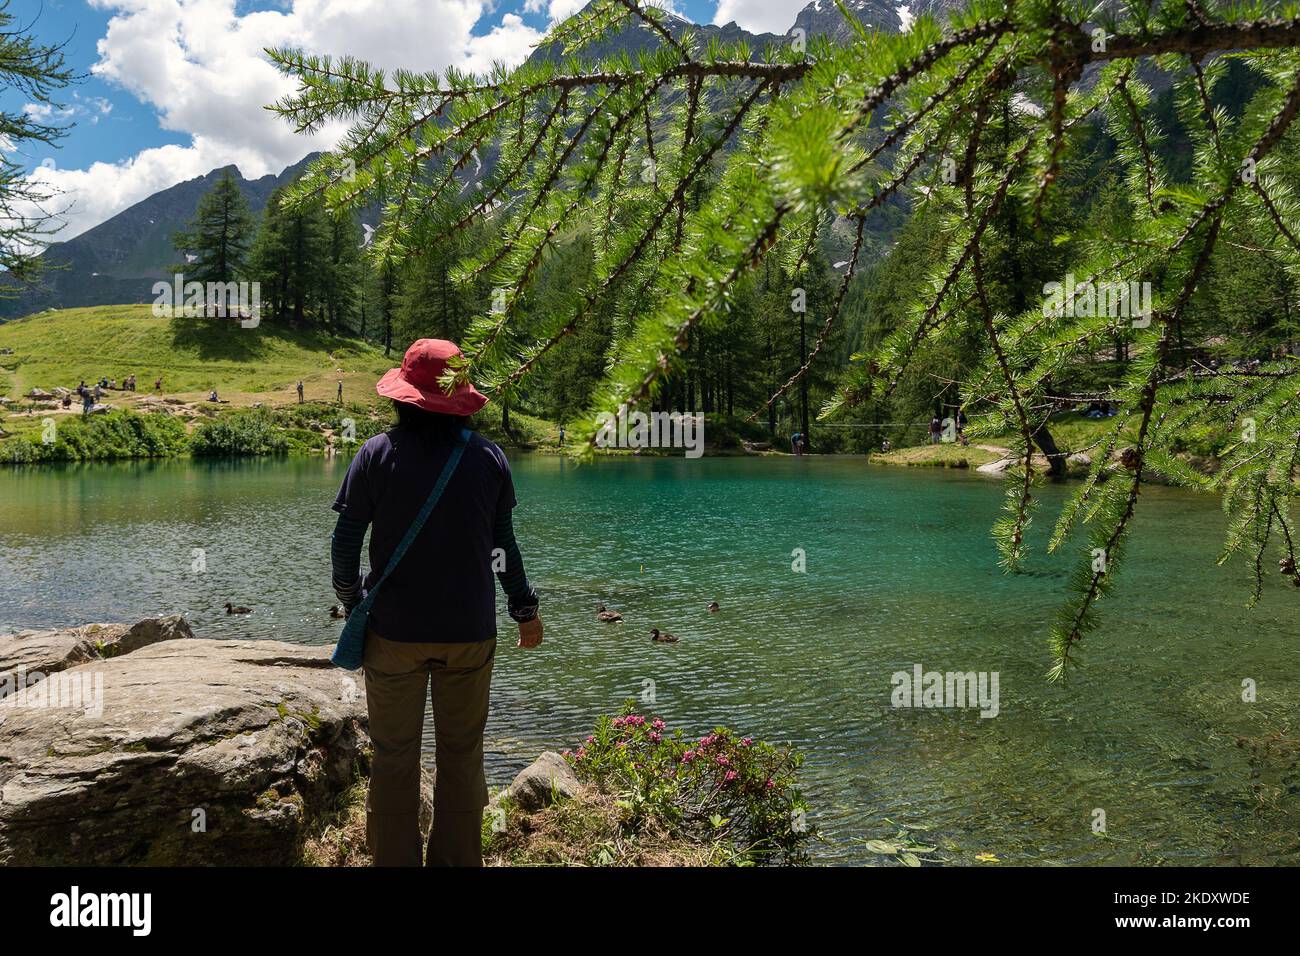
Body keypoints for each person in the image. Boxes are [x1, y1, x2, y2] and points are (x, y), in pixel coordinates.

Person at [330, 338, 541, 867]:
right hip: (469, 633)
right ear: (460, 398)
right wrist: (524, 609)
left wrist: (353, 599)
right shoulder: (489, 458)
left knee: (394, 759)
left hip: (393, 635)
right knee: (463, 758)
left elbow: (345, 540)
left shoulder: (375, 454)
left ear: (403, 396)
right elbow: (502, 548)